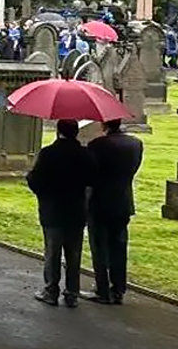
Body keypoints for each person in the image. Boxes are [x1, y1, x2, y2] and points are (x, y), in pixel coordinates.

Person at [27, 119, 98, 307]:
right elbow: (93, 181)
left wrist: (43, 195)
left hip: (53, 209)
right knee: (74, 254)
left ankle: (51, 290)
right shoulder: (86, 155)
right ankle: (72, 293)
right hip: (76, 210)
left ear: (59, 131)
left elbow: (34, 179)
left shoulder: (48, 153)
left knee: (52, 251)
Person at [83, 119, 144, 305]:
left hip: (100, 202)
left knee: (99, 248)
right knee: (119, 246)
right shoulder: (135, 144)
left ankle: (102, 289)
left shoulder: (97, 145)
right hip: (123, 201)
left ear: (104, 125)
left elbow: (91, 174)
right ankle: (118, 289)